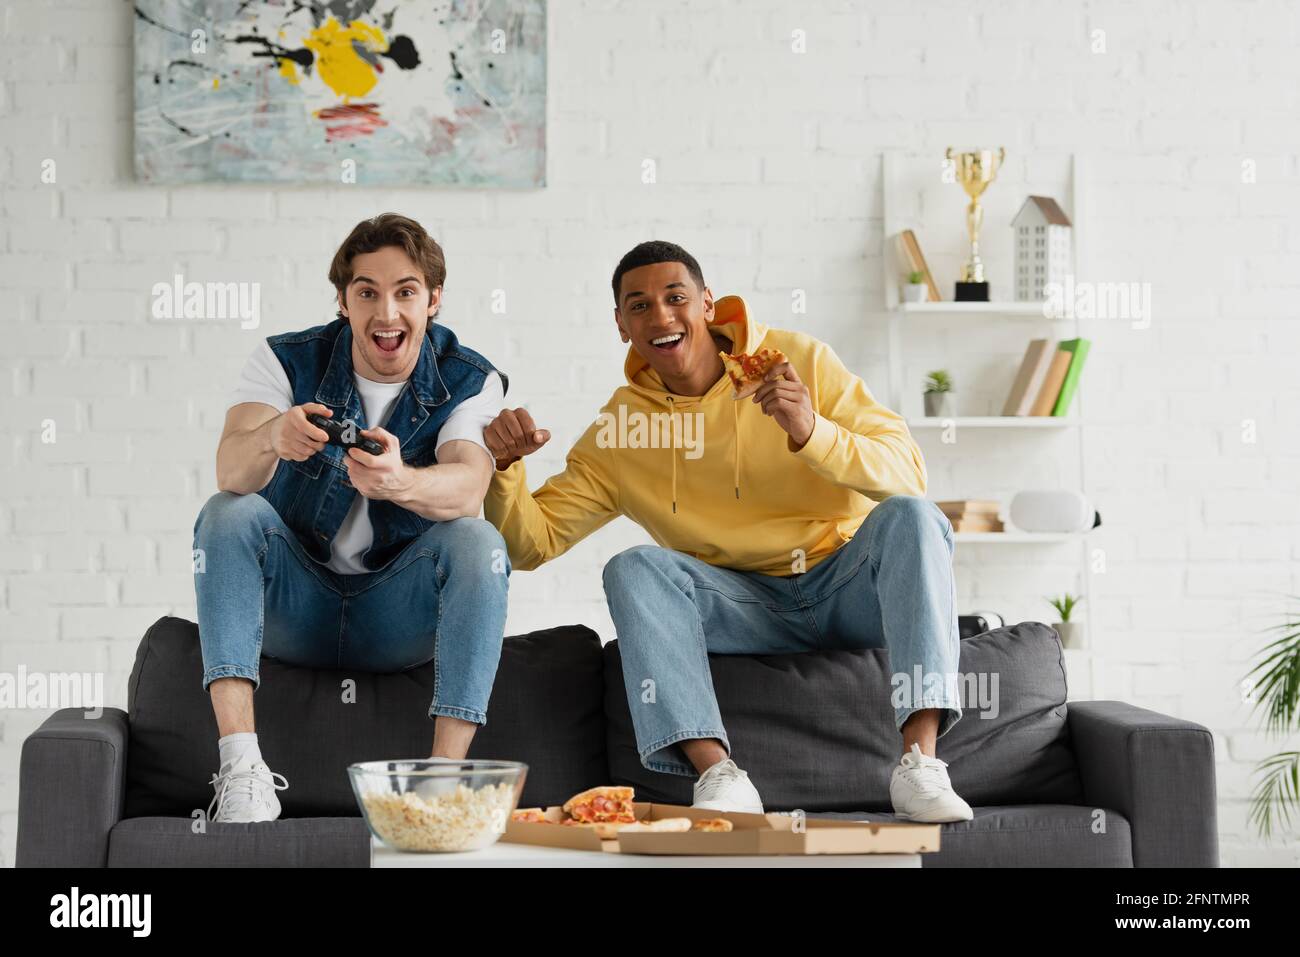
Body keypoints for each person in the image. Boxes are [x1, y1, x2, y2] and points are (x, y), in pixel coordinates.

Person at [481, 240, 973, 822]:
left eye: (675, 298)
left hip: (845, 584)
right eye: (639, 306)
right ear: (621, 325)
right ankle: (718, 773)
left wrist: (810, 430)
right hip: (740, 606)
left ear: (707, 304)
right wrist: (506, 470)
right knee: (633, 565)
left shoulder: (800, 362)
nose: (661, 317)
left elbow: (908, 476)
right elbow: (527, 544)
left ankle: (920, 764)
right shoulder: (622, 431)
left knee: (914, 517)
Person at [193, 213, 508, 823]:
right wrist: (271, 439)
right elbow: (229, 471)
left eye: (405, 292)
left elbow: (469, 487)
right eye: (367, 292)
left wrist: (401, 482)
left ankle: (442, 787)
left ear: (433, 300)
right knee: (227, 513)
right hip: (297, 605)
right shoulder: (284, 360)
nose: (386, 314)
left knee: (478, 540)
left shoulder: (471, 378)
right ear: (343, 301)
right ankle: (240, 768)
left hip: (398, 614)